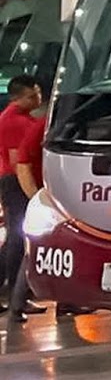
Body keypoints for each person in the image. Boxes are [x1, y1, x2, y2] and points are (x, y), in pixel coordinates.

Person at [0, 74, 46, 322]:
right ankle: (13, 295)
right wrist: (33, 194)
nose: (38, 98)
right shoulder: (14, 121)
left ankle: (16, 296)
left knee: (17, 238)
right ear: (19, 96)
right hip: (18, 184)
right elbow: (20, 163)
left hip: (18, 183)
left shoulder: (22, 119)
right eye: (33, 94)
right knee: (18, 238)